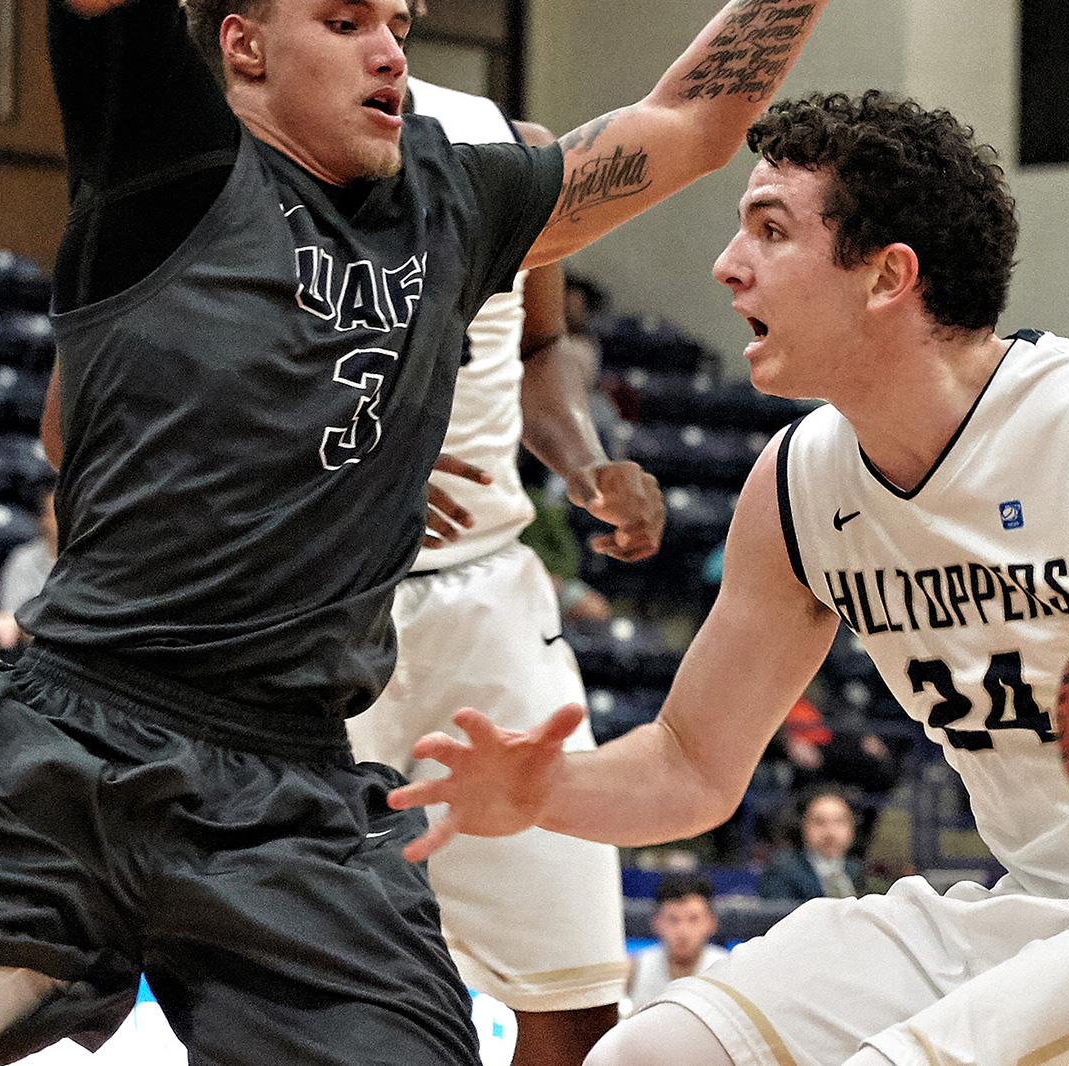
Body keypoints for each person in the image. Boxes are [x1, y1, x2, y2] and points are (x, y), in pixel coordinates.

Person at [0, 0, 829, 1063]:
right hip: (77, 742)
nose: (388, 51)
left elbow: (691, 123)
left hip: (290, 789)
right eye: (343, 21)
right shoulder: (168, 154)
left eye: (398, 25)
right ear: (243, 45)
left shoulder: (457, 194)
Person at [394, 90, 1069, 1066]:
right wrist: (543, 791)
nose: (726, 266)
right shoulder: (798, 486)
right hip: (1031, 908)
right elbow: (691, 765)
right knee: (652, 1051)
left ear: (887, 276)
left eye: (769, 230)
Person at [340, 70, 666, 1066]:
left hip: (487, 592)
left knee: (573, 996)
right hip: (308, 599)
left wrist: (583, 461)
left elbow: (539, 348)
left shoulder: (508, 142)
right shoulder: (229, 143)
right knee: (290, 996)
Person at [624, 874, 728, 1015]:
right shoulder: (633, 969)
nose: (682, 931)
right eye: (673, 919)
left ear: (711, 923)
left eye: (693, 919)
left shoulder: (727, 970)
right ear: (656, 922)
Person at [756, 787, 862, 901]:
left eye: (839, 822)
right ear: (803, 826)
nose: (830, 832)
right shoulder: (782, 871)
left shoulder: (858, 872)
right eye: (819, 822)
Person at [0, 484, 57, 651]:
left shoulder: (94, 559)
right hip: (35, 652)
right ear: (42, 520)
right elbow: (11, 622)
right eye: (57, 514)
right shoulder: (23, 559)